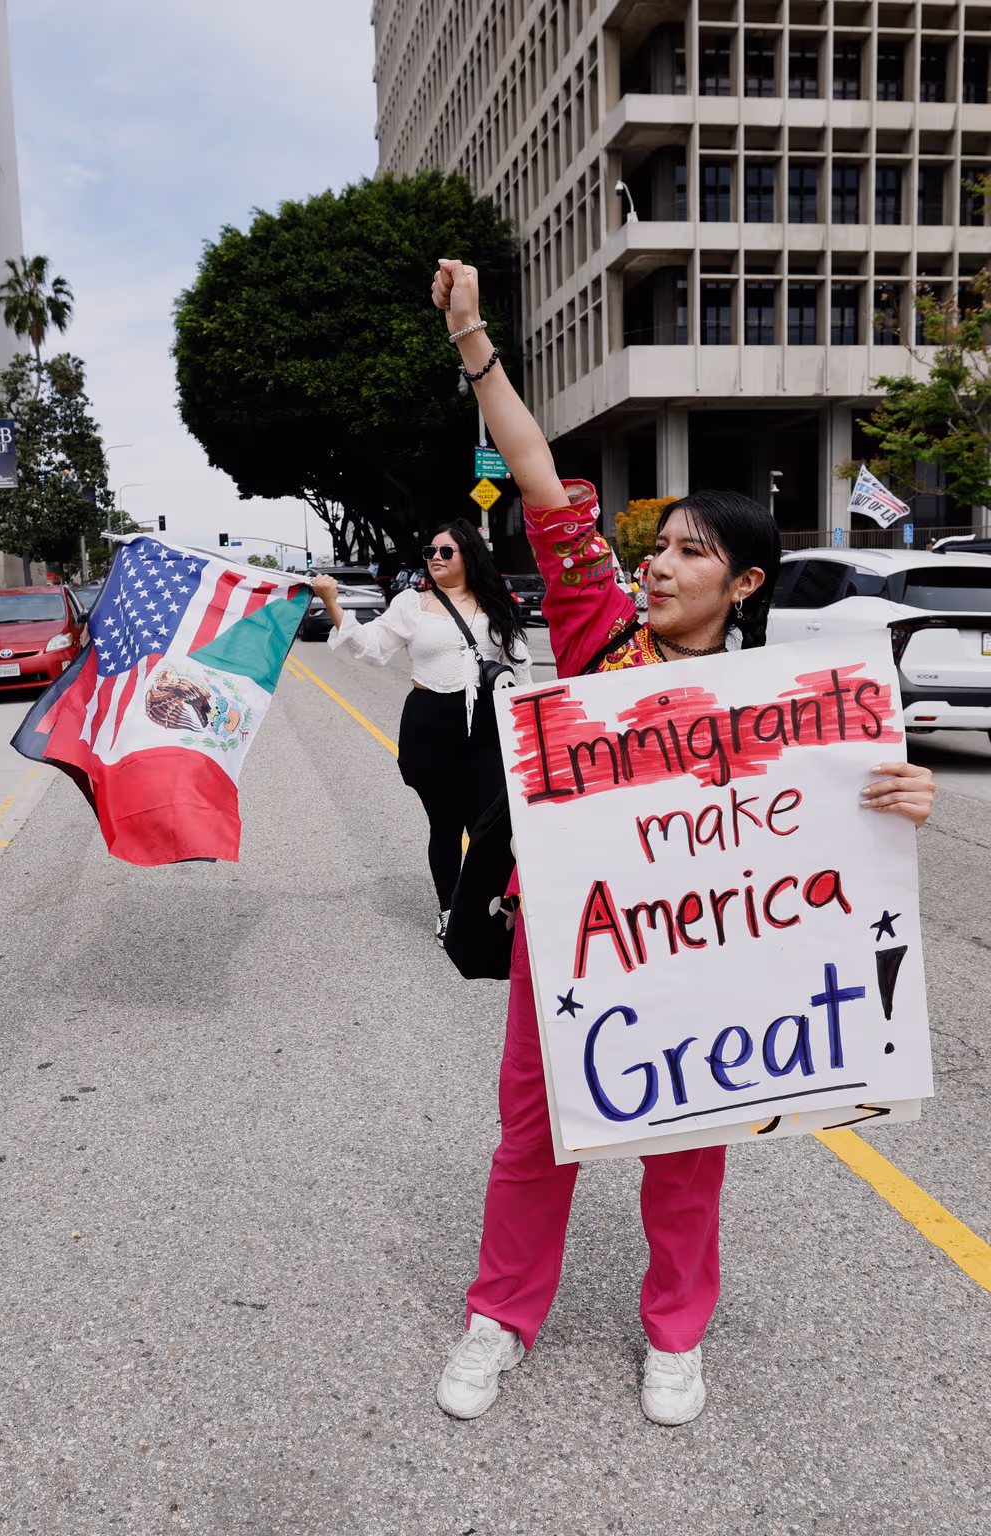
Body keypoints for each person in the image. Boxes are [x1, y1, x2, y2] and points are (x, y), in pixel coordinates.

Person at [429, 258, 937, 1425]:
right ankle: (499, 1318)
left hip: (706, 967)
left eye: (691, 552)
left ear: (745, 581)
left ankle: (676, 1334)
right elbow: (538, 474)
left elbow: (855, 810)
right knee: (533, 1137)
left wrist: (904, 795)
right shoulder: (599, 630)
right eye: (656, 545)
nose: (656, 563)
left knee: (688, 1150)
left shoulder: (786, 698)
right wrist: (474, 344)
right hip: (567, 948)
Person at [313, 520, 532, 945]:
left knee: (487, 825)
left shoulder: (496, 604)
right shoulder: (411, 604)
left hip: (485, 725)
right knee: (446, 824)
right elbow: (371, 648)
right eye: (430, 552)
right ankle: (450, 910)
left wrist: (526, 723)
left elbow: (519, 665)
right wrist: (332, 602)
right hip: (429, 723)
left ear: (468, 555)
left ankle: (493, 906)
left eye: (445, 552)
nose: (434, 559)